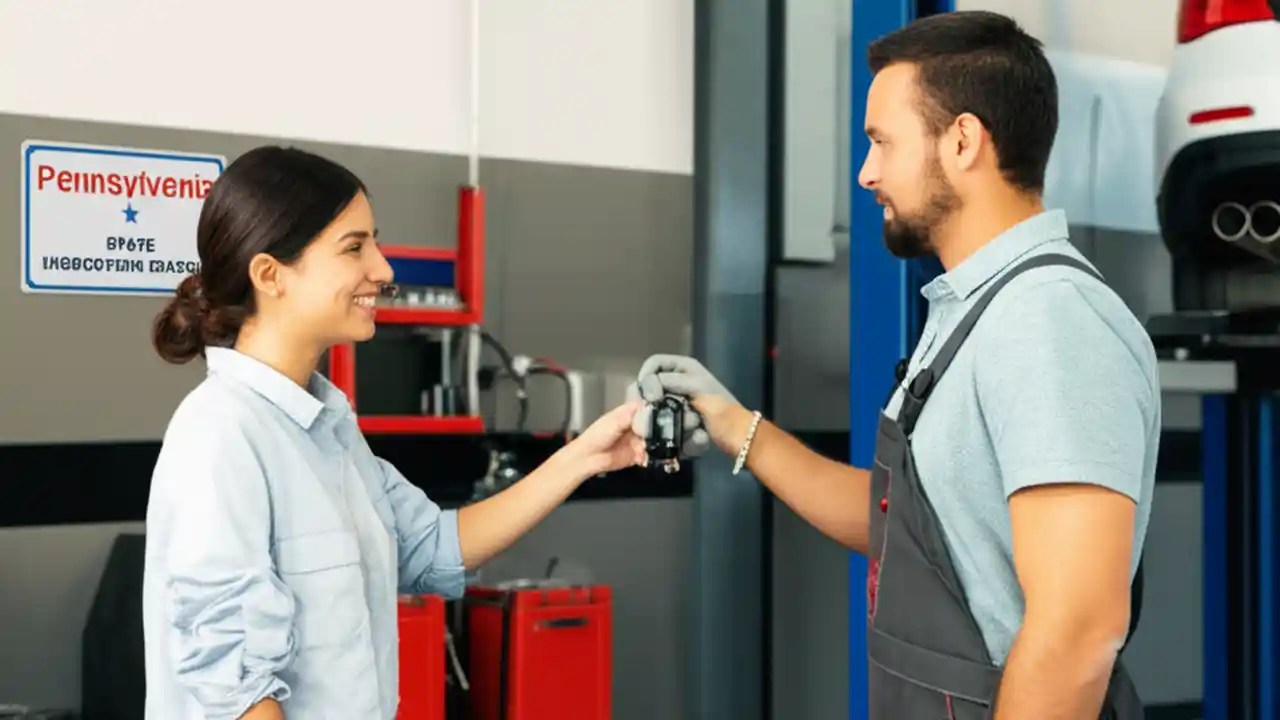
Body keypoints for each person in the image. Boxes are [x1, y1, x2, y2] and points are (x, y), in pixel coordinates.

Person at [631, 11, 1158, 720]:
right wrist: (736, 427)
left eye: (882, 141)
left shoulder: (1048, 321)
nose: (866, 171)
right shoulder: (973, 313)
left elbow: (1078, 633)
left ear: (963, 141)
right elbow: (906, 523)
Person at [142, 145, 646, 720]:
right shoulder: (221, 434)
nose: (383, 270)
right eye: (354, 248)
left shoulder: (328, 429)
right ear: (269, 274)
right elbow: (234, 689)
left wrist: (581, 459)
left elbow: (435, 548)